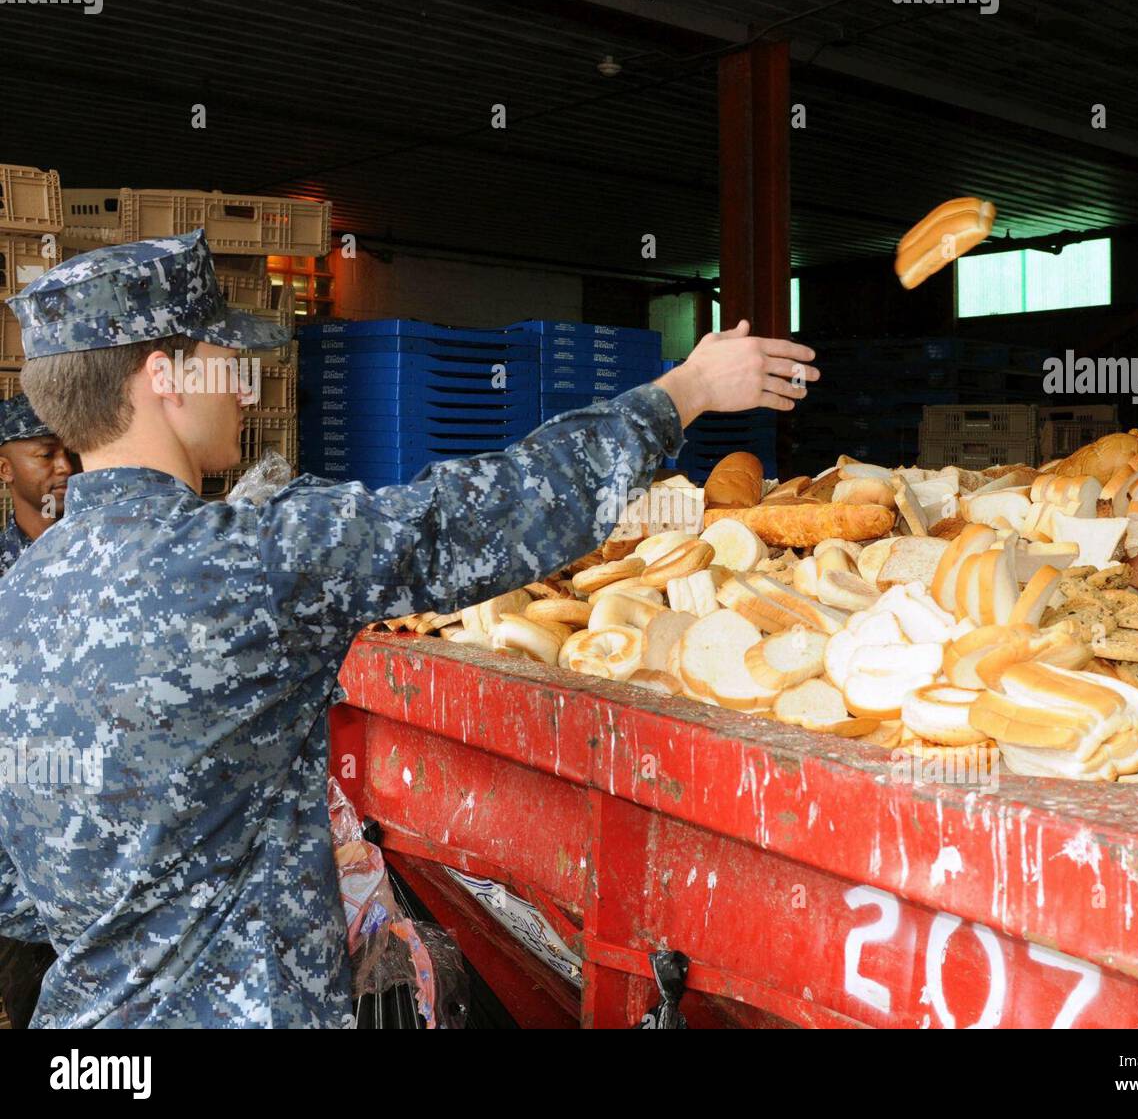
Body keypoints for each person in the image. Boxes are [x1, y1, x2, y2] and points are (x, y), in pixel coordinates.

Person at [0, 229, 817, 1028]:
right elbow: (484, 517)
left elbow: (15, 884)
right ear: (164, 377)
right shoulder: (250, 560)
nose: (245, 391)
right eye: (228, 363)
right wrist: (684, 392)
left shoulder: (20, 592)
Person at [0, 393, 72, 1028]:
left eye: (69, 453)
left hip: (108, 871)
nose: (63, 468)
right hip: (22, 886)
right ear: (5, 468)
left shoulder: (101, 564)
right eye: (45, 454)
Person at [0, 393, 76, 576]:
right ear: (5, 470)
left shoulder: (108, 548)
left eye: (74, 453)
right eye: (47, 455)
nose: (67, 467)